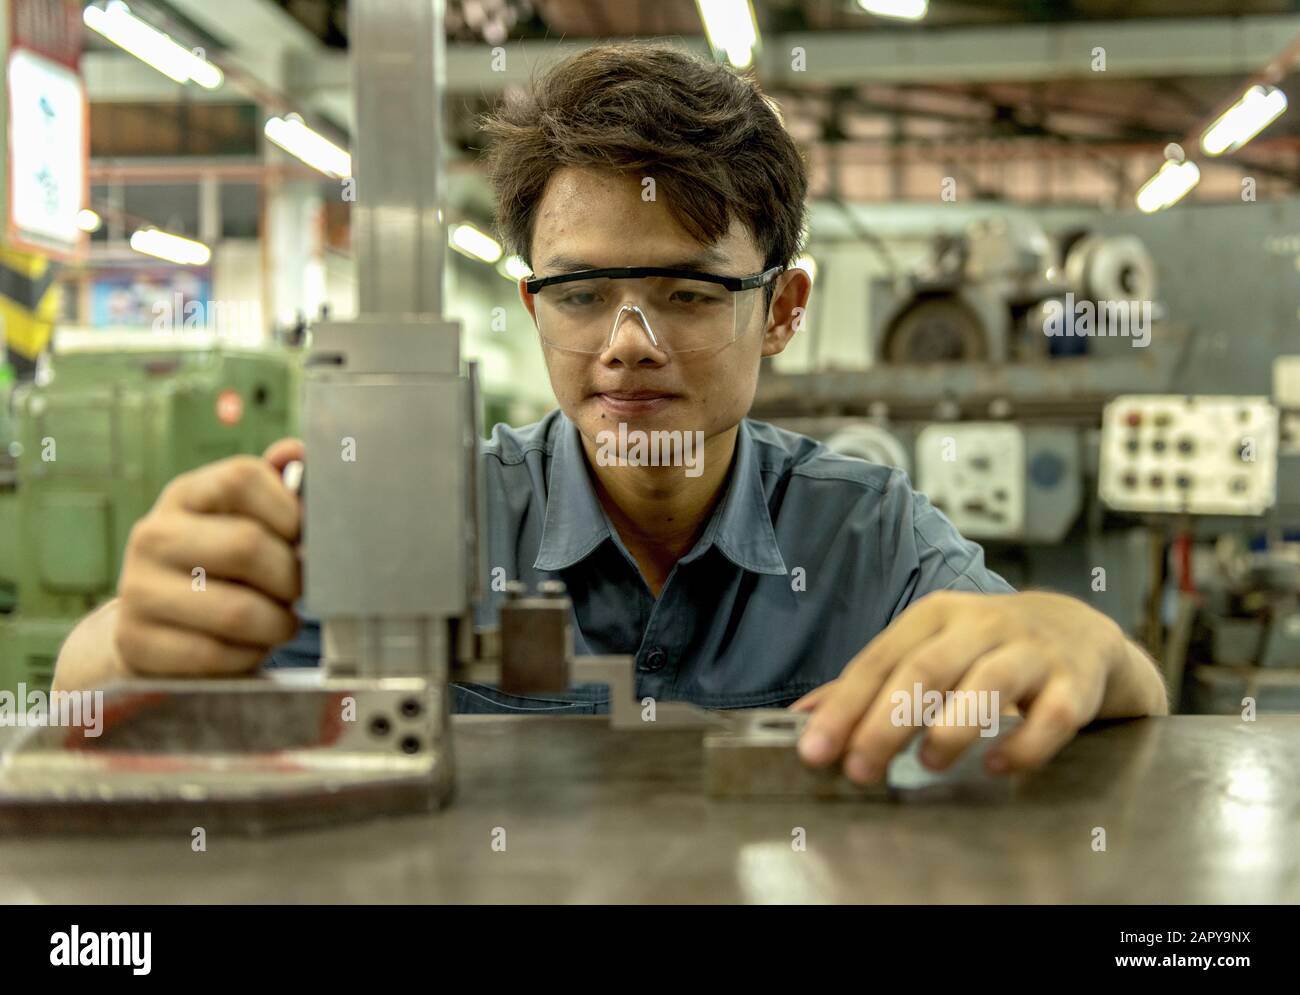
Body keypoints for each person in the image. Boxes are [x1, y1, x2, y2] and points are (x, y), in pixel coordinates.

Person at [53, 43, 1167, 784]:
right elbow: (90, 693)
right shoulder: (437, 507)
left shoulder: (863, 534)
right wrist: (134, 635)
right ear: (531, 304)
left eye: (686, 293)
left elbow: (1119, 686)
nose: (627, 343)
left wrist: (1081, 634)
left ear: (781, 308)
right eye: (581, 295)